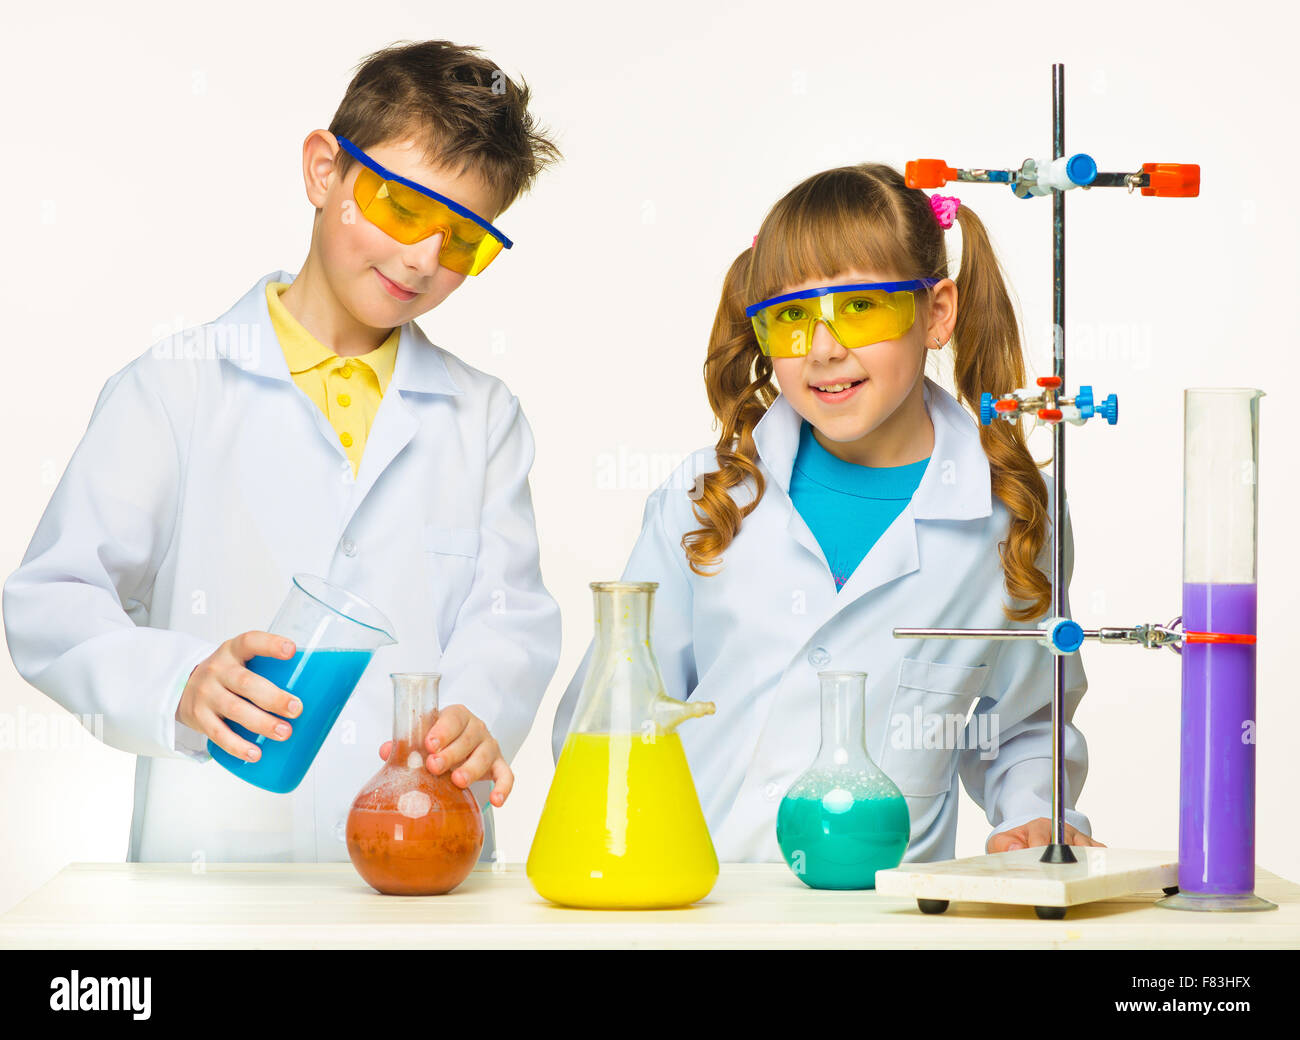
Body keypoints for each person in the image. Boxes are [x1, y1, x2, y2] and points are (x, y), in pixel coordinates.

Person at [3, 40, 562, 864]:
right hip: (216, 861)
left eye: (465, 239)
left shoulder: (483, 418)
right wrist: (181, 680)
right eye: (403, 209)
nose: (422, 258)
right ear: (323, 171)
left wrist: (479, 714)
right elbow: (53, 602)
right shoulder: (174, 388)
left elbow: (509, 620)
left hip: (422, 858)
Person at [551, 164, 1102, 862]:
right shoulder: (710, 495)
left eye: (861, 308)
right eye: (790, 318)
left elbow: (1023, 719)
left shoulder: (1012, 509)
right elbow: (608, 709)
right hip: (697, 900)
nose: (823, 349)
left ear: (937, 312)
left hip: (887, 920)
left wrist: (1034, 813)